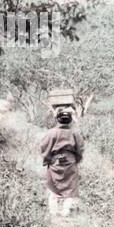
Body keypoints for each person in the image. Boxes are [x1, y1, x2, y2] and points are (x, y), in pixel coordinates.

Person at [37, 90, 84, 218]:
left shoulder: (51, 133)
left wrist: (47, 160)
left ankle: (54, 212)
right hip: (70, 162)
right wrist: (76, 160)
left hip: (55, 162)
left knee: (53, 187)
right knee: (70, 188)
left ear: (58, 120)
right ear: (69, 121)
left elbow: (44, 147)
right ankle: (65, 211)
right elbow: (80, 149)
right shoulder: (75, 133)